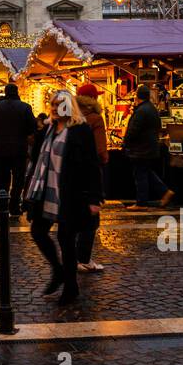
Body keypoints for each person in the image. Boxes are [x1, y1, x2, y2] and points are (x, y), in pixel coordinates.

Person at [23, 89, 103, 304]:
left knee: (65, 239)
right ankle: (58, 271)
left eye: (60, 104)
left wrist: (94, 198)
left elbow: (91, 165)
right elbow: (36, 161)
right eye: (52, 104)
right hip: (45, 191)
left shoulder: (80, 130)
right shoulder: (47, 129)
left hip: (70, 192)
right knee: (38, 231)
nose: (55, 108)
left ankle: (70, 286)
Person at [0, 83, 35, 217]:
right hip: (19, 149)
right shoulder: (25, 107)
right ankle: (14, 206)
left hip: (0, 149)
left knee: (1, 179)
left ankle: (0, 205)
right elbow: (32, 127)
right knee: (18, 180)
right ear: (17, 92)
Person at [75, 83, 108, 272]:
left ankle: (74, 257)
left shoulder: (70, 117)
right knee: (91, 219)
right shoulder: (95, 119)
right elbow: (101, 150)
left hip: (71, 174)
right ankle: (84, 259)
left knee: (74, 218)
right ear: (93, 99)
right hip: (89, 173)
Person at [122, 84, 173, 206]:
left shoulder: (141, 111)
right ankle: (165, 192)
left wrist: (125, 143)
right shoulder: (152, 109)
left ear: (138, 97)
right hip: (149, 147)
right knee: (145, 172)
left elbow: (133, 130)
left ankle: (141, 202)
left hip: (141, 148)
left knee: (140, 174)